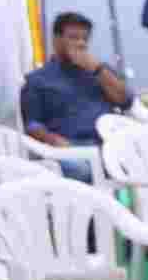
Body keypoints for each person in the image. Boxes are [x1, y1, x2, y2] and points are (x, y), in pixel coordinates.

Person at [19, 12, 134, 182]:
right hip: (69, 147)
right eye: (73, 37)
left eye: (85, 38)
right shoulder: (38, 80)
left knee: (140, 162)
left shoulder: (100, 71)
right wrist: (53, 140)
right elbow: (32, 124)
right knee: (82, 170)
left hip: (107, 144)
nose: (81, 43)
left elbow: (125, 101)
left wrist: (97, 69)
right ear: (56, 40)